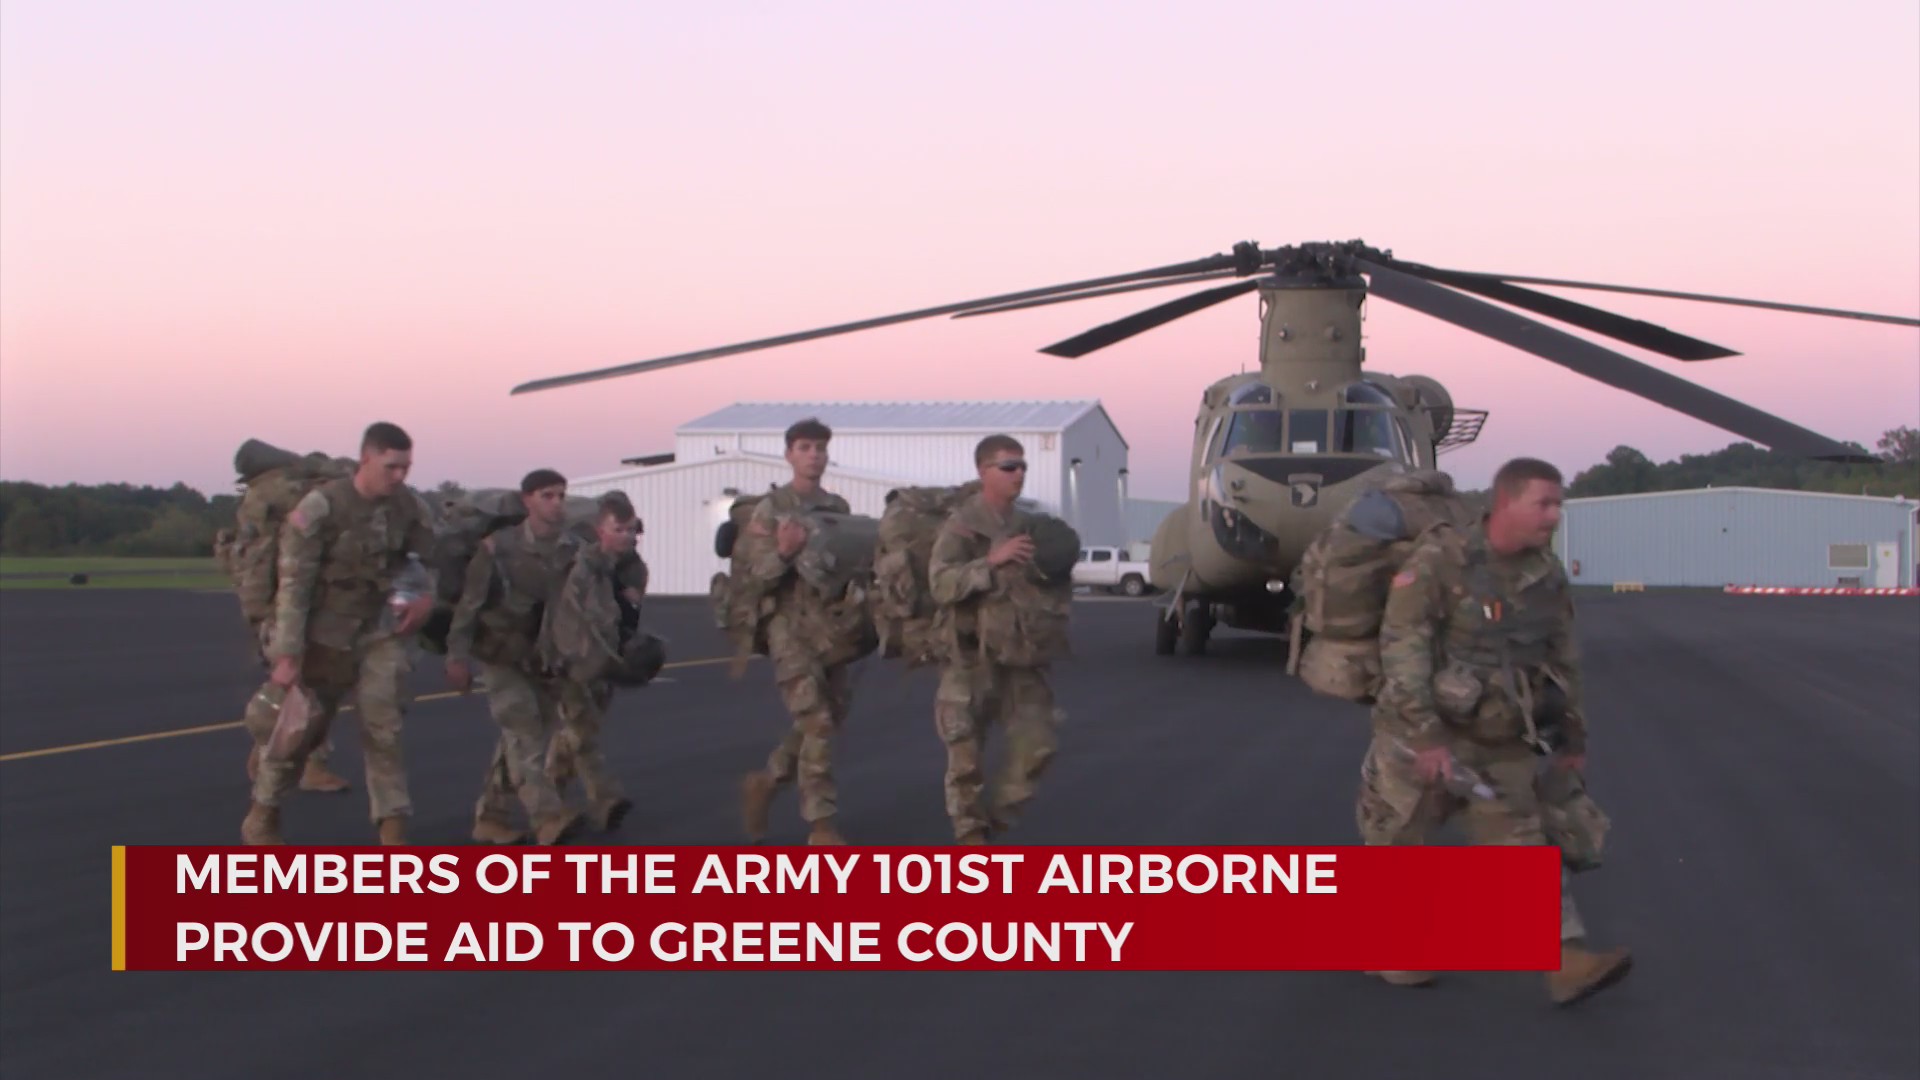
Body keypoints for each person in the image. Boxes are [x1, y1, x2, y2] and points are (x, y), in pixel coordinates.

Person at [1358, 456, 1632, 1006]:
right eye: (1544, 503)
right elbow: (1402, 648)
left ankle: (1565, 961)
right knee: (1397, 843)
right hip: (1419, 735)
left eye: (1558, 504)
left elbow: (1562, 655)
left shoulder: (1544, 573)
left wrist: (1573, 737)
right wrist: (1428, 738)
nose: (1554, 516)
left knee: (1522, 848)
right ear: (1505, 504)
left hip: (1502, 736)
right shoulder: (1441, 561)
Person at [242, 422, 436, 845]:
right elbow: (294, 585)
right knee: (298, 732)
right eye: (391, 467)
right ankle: (265, 812)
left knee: (385, 727)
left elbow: (431, 559)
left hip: (377, 633)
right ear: (366, 458)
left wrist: (426, 597)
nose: (400, 476)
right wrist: (288, 655)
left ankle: (393, 830)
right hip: (321, 637)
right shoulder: (320, 509)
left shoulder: (410, 508)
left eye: (406, 467)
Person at [926, 434, 1066, 844]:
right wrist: (989, 562)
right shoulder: (962, 524)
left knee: (1038, 744)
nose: (1018, 474)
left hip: (1018, 654)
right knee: (965, 758)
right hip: (968, 657)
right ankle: (971, 839)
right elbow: (940, 583)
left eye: (1022, 466)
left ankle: (996, 820)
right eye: (1008, 467)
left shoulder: (1026, 523)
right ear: (983, 471)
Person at [445, 468, 588, 846]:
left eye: (561, 495)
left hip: (544, 659)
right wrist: (456, 656)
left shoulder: (572, 550)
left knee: (524, 739)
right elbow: (469, 605)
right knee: (523, 733)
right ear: (527, 500)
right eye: (546, 495)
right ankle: (548, 818)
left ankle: (490, 818)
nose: (556, 503)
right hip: (500, 655)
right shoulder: (498, 547)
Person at [736, 418, 860, 845]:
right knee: (818, 723)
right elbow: (756, 575)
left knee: (821, 722)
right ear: (788, 453)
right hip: (789, 629)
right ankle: (821, 827)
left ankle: (767, 782)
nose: (814, 455)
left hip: (832, 628)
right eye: (805, 447)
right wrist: (784, 553)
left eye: (820, 447)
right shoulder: (771, 510)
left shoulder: (837, 508)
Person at [545, 493, 644, 832]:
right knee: (581, 731)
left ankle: (550, 797)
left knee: (576, 734)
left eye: (632, 530)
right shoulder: (583, 569)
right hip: (574, 665)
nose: (628, 537)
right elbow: (566, 620)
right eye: (619, 529)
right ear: (600, 530)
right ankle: (604, 799)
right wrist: (562, 661)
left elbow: (623, 620)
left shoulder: (623, 569)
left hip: (603, 666)